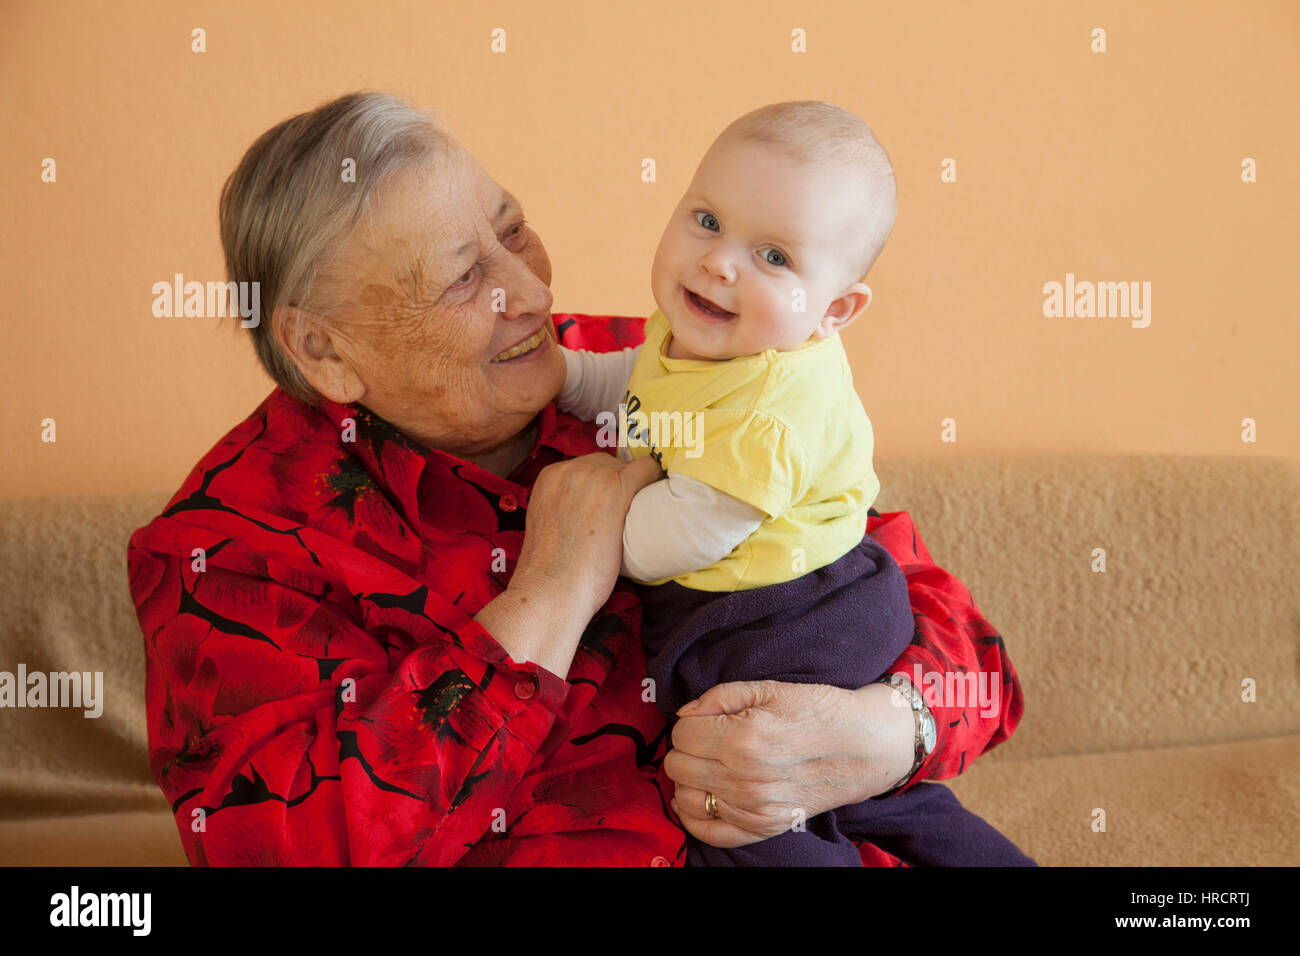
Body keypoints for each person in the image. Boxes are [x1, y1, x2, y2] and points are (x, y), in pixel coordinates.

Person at [126, 91, 1026, 866]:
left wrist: (882, 733)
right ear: (323, 349)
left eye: (512, 228)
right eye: (463, 276)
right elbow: (288, 847)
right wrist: (546, 598)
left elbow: (977, 664)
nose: (529, 290)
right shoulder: (227, 551)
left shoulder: (640, 362)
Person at [556, 101, 1034, 865]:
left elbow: (693, 528)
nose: (720, 262)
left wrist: (587, 540)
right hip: (808, 601)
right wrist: (574, 374)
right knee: (879, 799)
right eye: (706, 220)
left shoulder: (770, 413)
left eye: (774, 257)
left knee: (752, 813)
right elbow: (643, 386)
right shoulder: (699, 336)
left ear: (835, 311)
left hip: (792, 621)